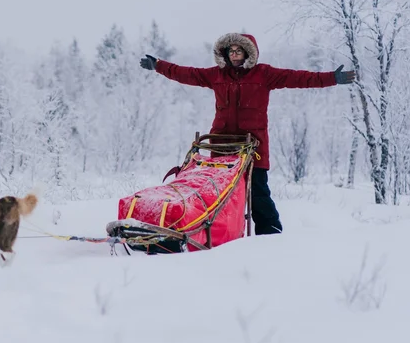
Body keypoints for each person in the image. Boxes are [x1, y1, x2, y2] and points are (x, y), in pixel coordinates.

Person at [139, 32, 355, 235]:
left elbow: (299, 78)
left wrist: (332, 78)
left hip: (253, 147)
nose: (234, 55)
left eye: (238, 51)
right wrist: (158, 65)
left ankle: (270, 236)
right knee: (220, 195)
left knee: (257, 194)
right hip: (221, 146)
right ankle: (219, 234)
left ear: (248, 53)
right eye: (230, 51)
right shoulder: (216, 75)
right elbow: (186, 73)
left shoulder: (264, 74)